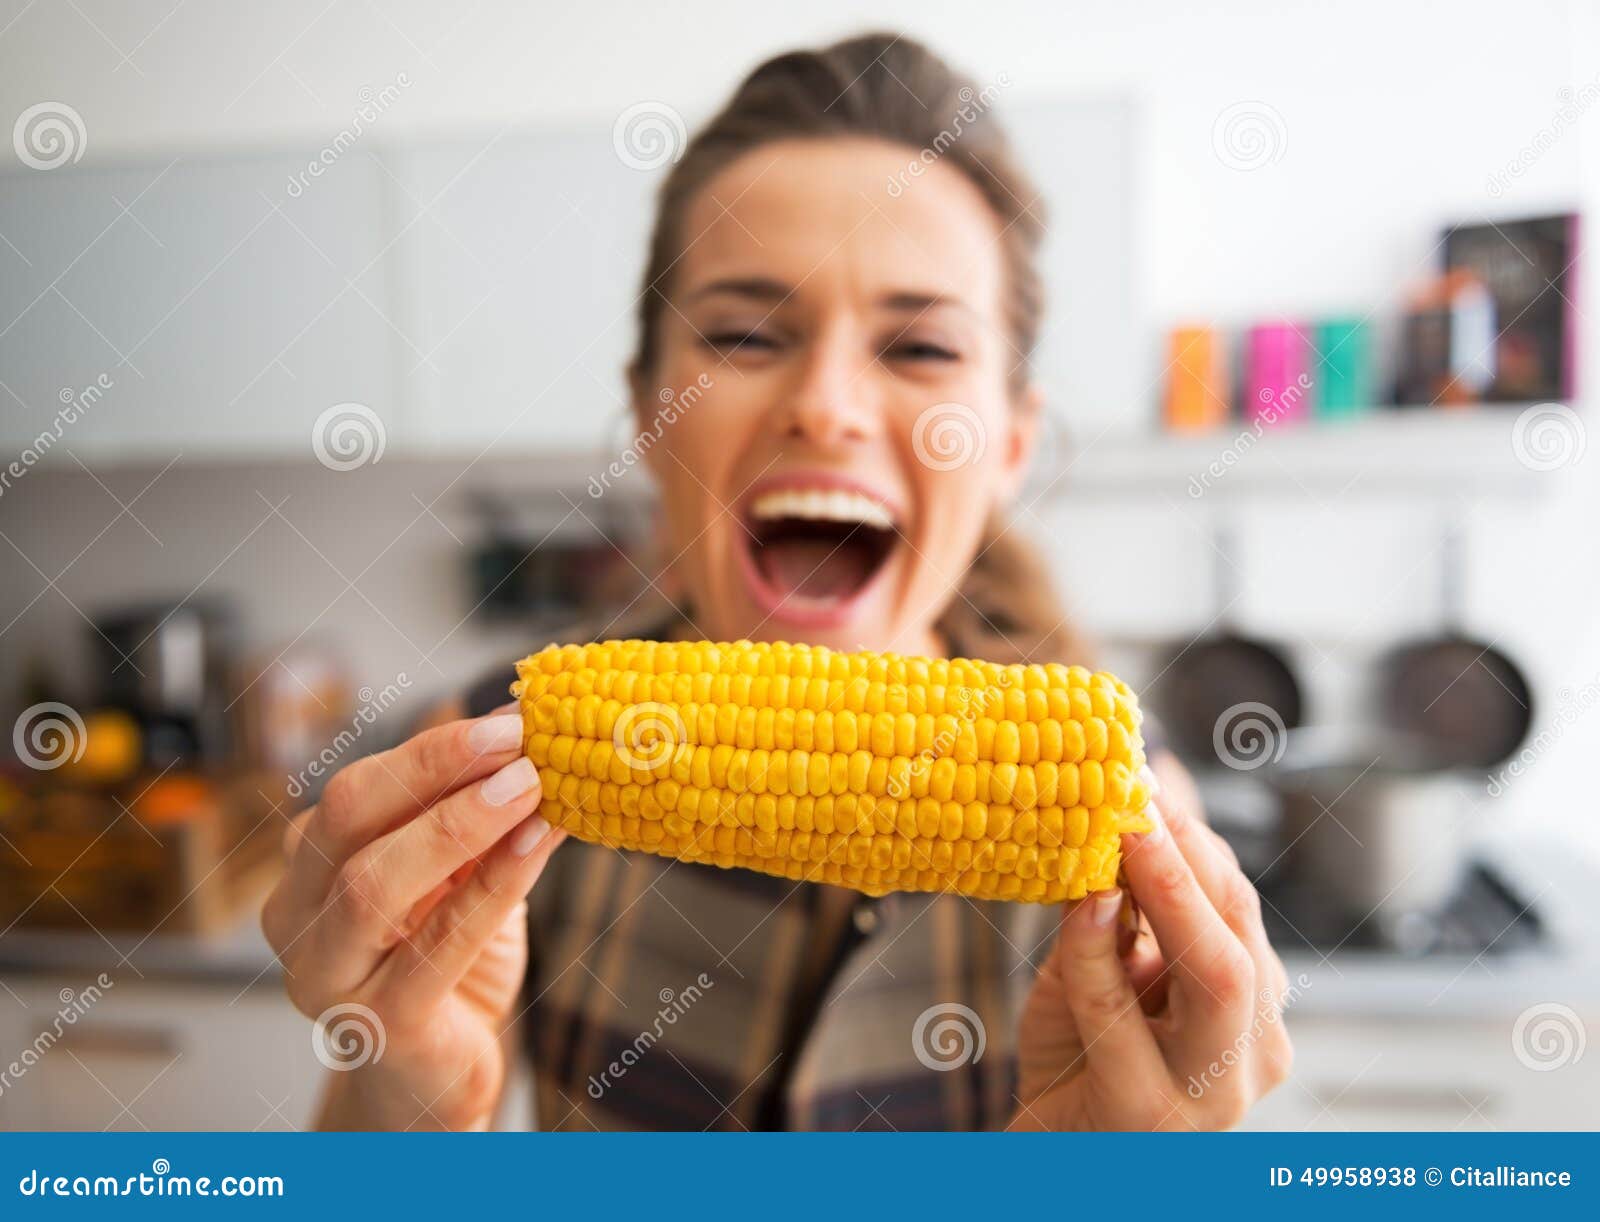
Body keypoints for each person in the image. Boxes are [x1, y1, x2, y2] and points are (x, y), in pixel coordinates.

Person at [261, 32, 1292, 1131]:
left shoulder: (1137, 862)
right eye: (746, 334)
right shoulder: (492, 766)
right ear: (648, 415)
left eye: (921, 349)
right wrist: (406, 1100)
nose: (827, 405)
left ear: (1007, 445)